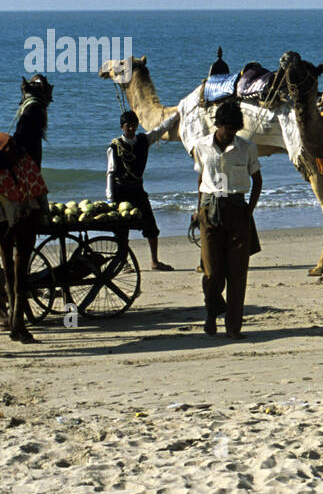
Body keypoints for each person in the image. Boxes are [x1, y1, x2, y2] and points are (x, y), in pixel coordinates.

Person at [194, 100, 262, 338]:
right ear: (218, 125)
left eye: (235, 129)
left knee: (237, 274)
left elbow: (257, 181)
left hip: (237, 209)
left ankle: (233, 327)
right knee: (211, 273)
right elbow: (201, 178)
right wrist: (197, 209)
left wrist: (249, 211)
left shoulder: (247, 147)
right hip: (210, 210)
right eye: (228, 128)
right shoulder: (201, 146)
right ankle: (212, 314)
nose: (231, 133)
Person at [108, 109, 180, 270]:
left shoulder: (143, 140)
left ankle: (154, 261)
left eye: (134, 126)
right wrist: (111, 199)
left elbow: (161, 129)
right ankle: (123, 262)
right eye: (128, 127)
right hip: (121, 192)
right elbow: (110, 174)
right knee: (122, 231)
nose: (132, 129)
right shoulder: (114, 147)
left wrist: (177, 115)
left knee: (151, 227)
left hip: (138, 190)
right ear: (122, 127)